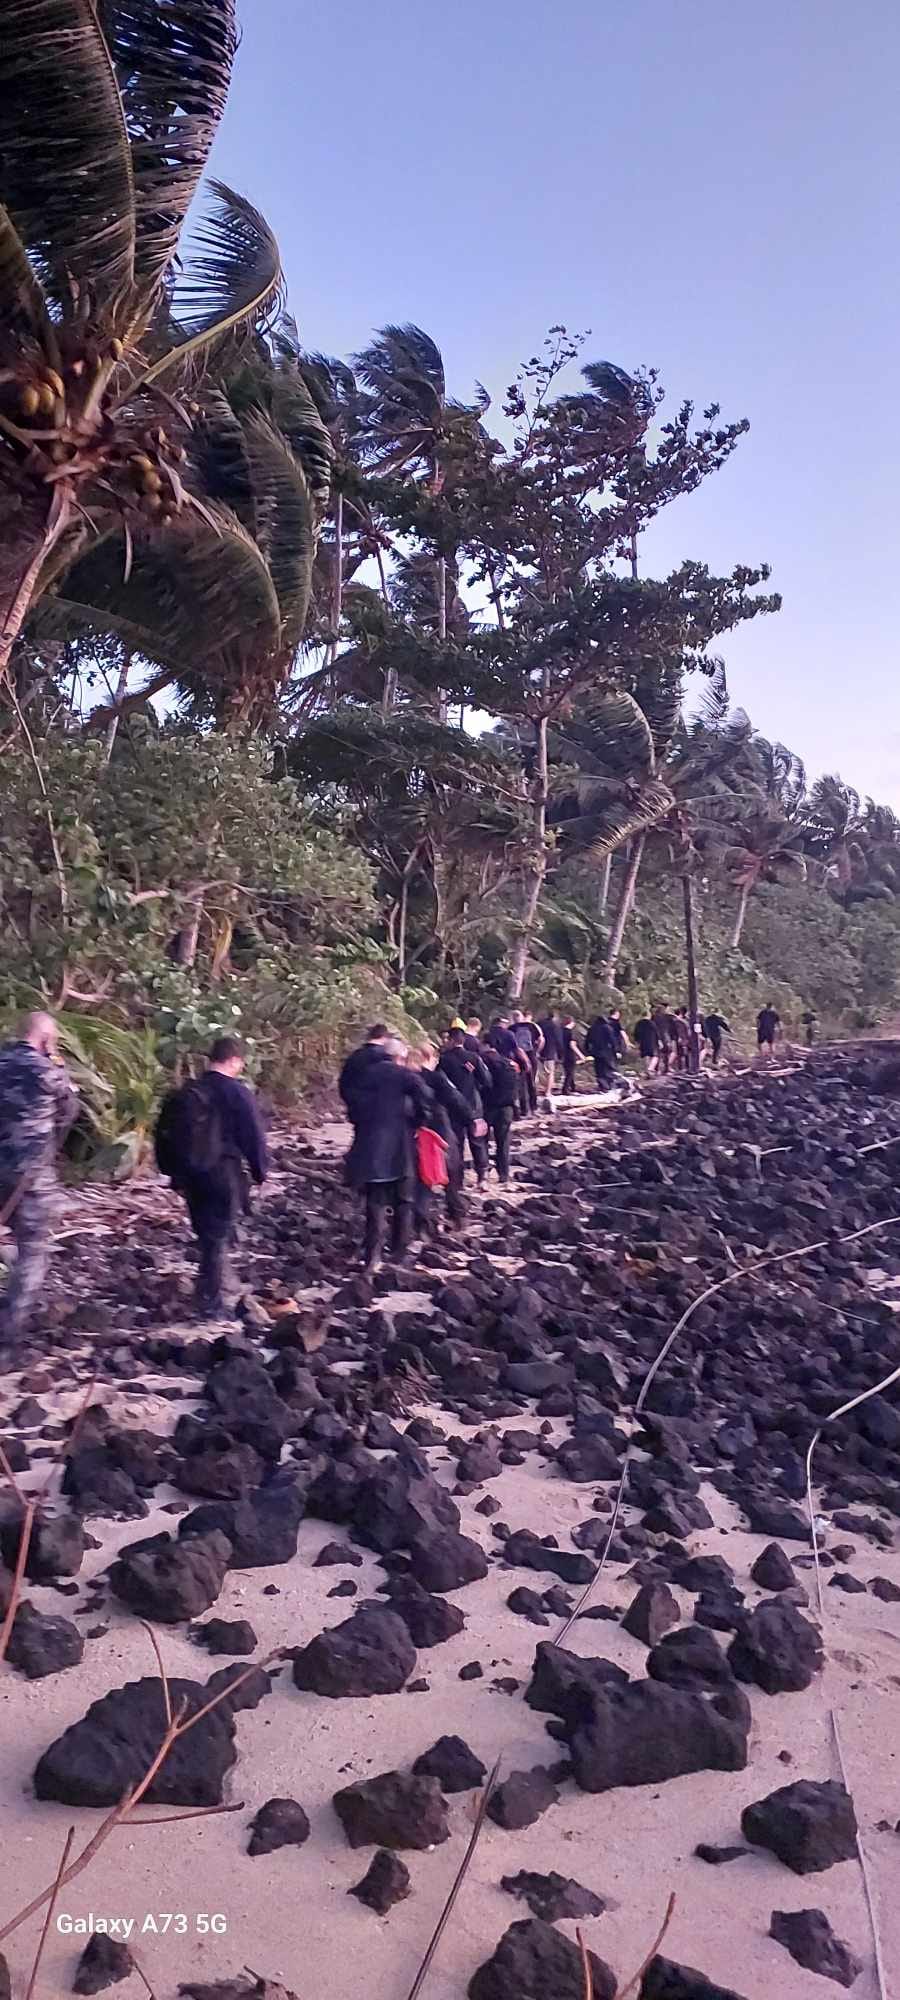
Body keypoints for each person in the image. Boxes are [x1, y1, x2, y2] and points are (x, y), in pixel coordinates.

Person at [155, 1036, 268, 1321]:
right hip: (222, 1171)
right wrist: (260, 1171)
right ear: (234, 1061)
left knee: (206, 1234)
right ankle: (211, 1303)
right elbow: (253, 1135)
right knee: (217, 1236)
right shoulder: (237, 1092)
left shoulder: (191, 1090)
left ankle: (210, 1290)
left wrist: (174, 1172)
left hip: (192, 1173)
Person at [0, 1012, 78, 1340]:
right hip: (29, 1176)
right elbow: (69, 1111)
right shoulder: (49, 1070)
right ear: (46, 1040)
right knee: (32, 1252)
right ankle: (8, 1339)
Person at [342, 1037, 430, 1274]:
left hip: (369, 1146)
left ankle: (373, 1256)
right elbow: (426, 1097)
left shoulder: (364, 1075)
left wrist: (361, 1122)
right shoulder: (404, 1075)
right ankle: (399, 1253)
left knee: (375, 1203)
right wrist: (418, 1121)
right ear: (400, 1058)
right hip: (399, 1146)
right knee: (404, 1199)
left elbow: (350, 1100)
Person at [409, 1045, 473, 1237]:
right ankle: (457, 1216)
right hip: (439, 1133)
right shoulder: (434, 1078)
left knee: (421, 1183)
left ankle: (420, 1226)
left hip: (412, 1135)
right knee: (451, 1177)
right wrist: (472, 1119)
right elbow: (456, 1100)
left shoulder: (400, 1079)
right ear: (428, 1058)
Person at [438, 1027, 490, 1185]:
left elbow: (440, 1082)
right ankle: (482, 1176)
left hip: (453, 1106)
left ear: (452, 1040)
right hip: (473, 1104)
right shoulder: (473, 1058)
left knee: (456, 1143)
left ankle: (457, 1179)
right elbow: (487, 1080)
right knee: (477, 1141)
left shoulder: (444, 1059)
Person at [479, 1042, 519, 1185]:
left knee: (482, 1142)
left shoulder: (482, 1061)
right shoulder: (508, 1063)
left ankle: (484, 1172)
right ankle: (504, 1174)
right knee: (503, 1143)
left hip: (487, 1106)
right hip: (506, 1107)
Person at [338, 1024, 391, 1113]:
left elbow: (344, 1079)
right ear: (384, 1037)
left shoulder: (355, 1055)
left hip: (355, 1102)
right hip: (377, 1107)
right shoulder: (384, 1057)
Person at [511, 1009, 543, 1114]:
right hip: (531, 1056)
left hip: (517, 1058)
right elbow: (541, 1040)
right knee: (531, 1082)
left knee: (521, 1083)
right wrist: (537, 1051)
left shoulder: (511, 1028)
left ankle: (524, 1108)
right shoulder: (532, 1026)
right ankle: (533, 1106)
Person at [586, 1013, 618, 1089]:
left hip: (596, 1052)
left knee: (599, 1070)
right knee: (608, 1069)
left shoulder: (592, 1028)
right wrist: (615, 1051)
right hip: (607, 1052)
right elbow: (612, 1041)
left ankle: (602, 1086)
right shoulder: (607, 1028)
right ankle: (609, 1085)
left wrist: (588, 1051)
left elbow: (587, 1041)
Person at [537, 1009, 564, 1093]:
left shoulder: (539, 1024)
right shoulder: (555, 1026)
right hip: (550, 1052)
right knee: (550, 1073)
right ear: (555, 1017)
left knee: (537, 1073)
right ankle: (548, 1092)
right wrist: (561, 1054)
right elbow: (558, 1041)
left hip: (538, 1051)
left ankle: (535, 1091)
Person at [561, 1016, 586, 1093]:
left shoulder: (561, 1031)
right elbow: (572, 1045)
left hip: (563, 1053)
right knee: (570, 1072)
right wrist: (581, 1055)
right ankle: (565, 1089)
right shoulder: (571, 1032)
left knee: (567, 1071)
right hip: (570, 1054)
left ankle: (572, 1087)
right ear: (572, 1023)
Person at [652, 1003, 674, 1076]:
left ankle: (657, 1069)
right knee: (667, 1052)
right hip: (664, 1035)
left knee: (659, 1053)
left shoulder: (654, 1017)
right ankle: (666, 1068)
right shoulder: (667, 1016)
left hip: (657, 1036)